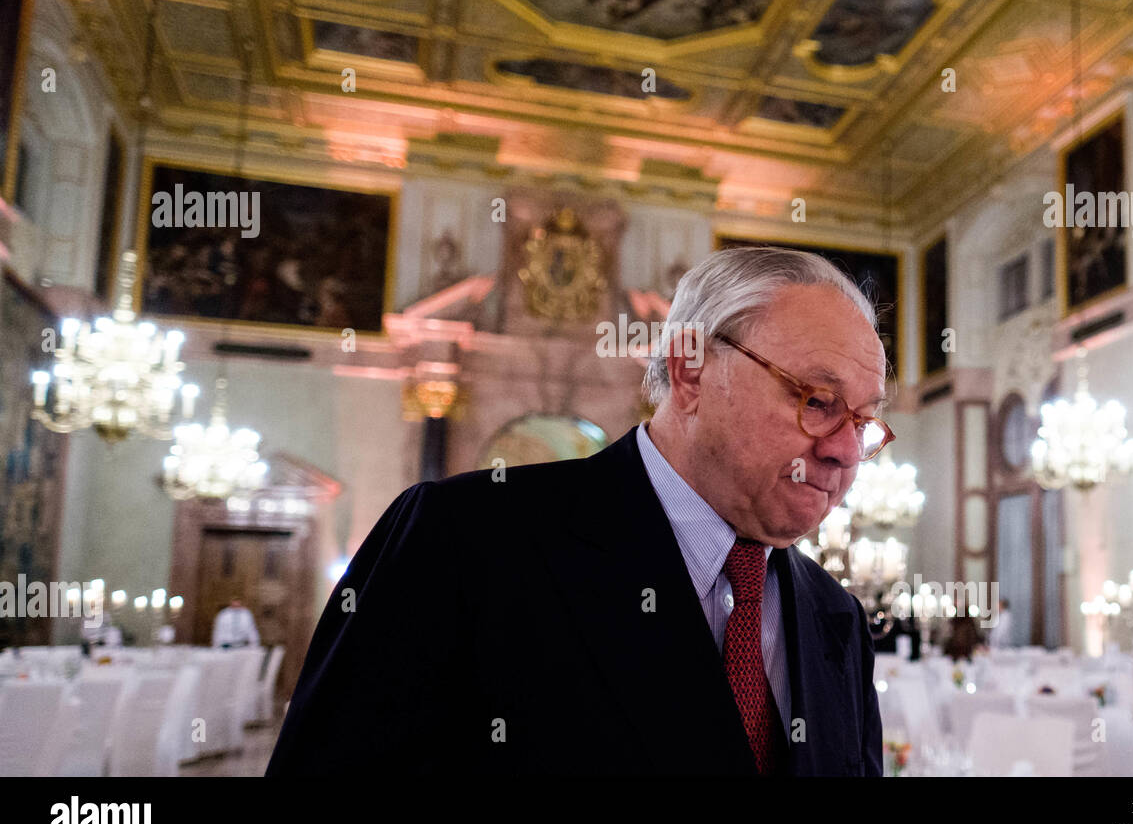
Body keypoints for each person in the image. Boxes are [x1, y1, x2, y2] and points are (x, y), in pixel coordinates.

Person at [267, 246, 887, 776]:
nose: (843, 451)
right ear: (691, 371)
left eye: (863, 421)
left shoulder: (836, 619)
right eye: (819, 399)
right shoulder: (459, 544)